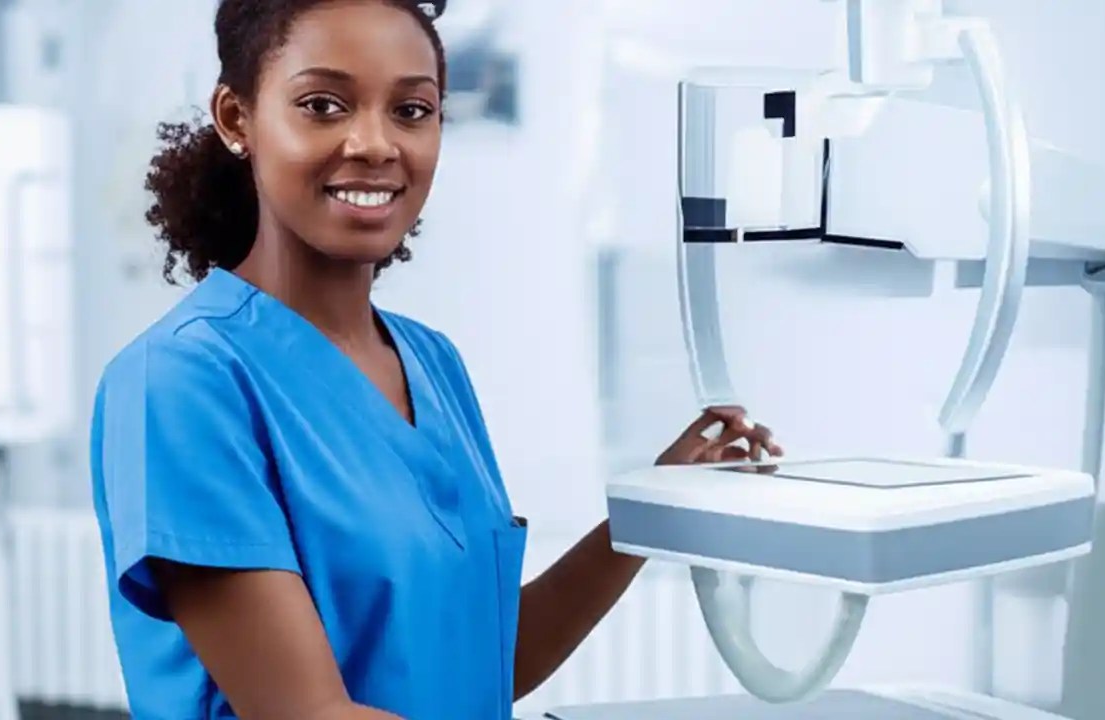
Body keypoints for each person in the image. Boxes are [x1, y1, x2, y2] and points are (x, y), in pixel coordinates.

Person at [89, 1, 782, 718]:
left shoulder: (432, 363)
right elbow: (310, 713)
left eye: (412, 110)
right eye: (323, 105)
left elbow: (485, 666)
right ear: (238, 120)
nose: (375, 144)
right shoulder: (181, 383)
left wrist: (655, 511)